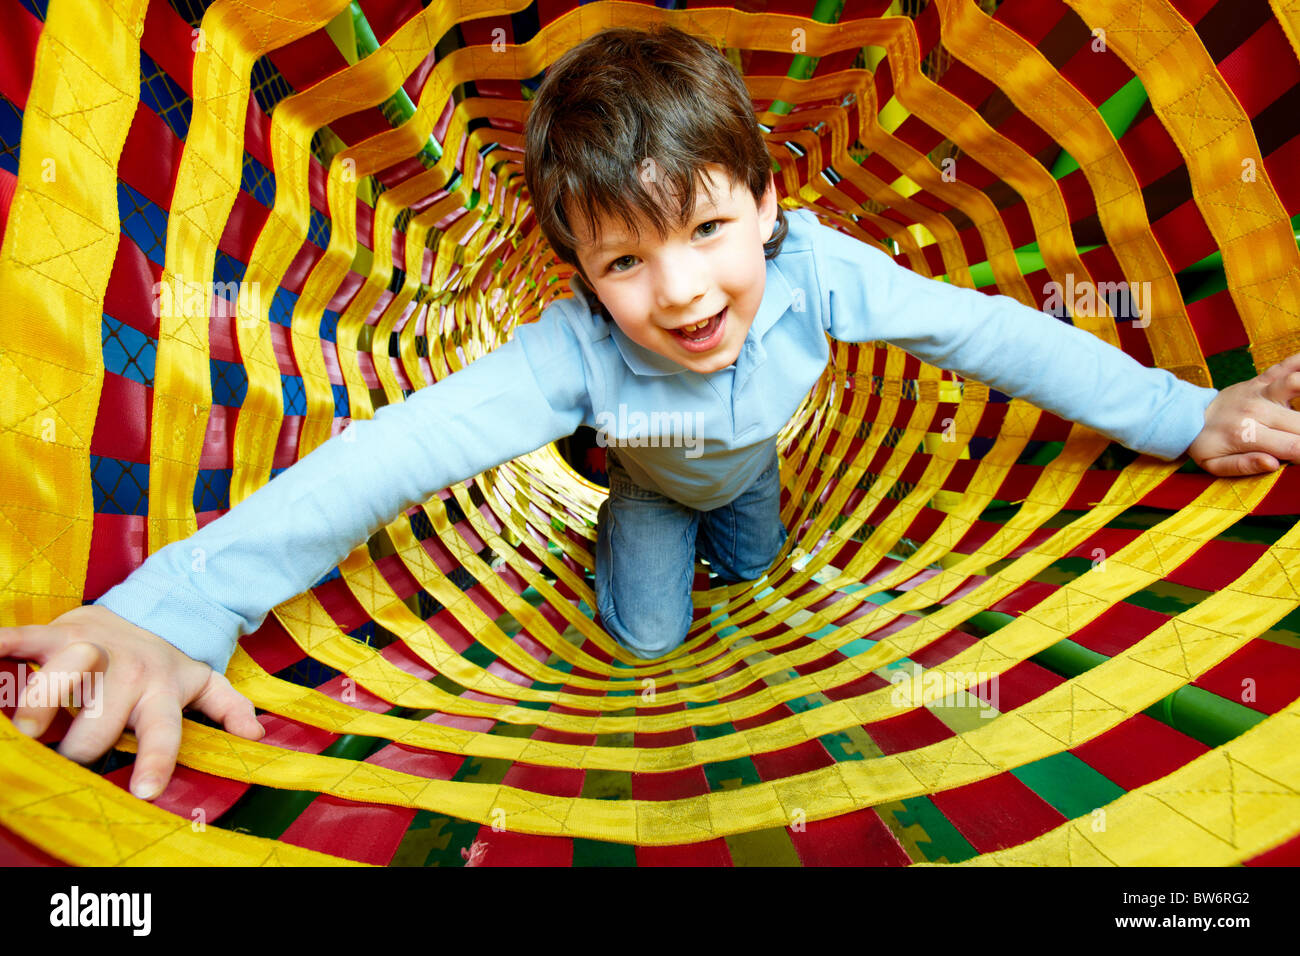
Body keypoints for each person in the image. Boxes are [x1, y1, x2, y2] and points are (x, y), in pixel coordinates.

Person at [3, 24, 1299, 805]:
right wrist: (168, 608)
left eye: (708, 229)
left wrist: (1187, 415)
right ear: (577, 269)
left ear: (768, 204)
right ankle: (629, 546)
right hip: (642, 483)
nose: (682, 290)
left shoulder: (823, 273)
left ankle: (734, 535)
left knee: (760, 556)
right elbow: (389, 455)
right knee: (646, 642)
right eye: (626, 260)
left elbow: (991, 333)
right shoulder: (566, 353)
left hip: (747, 473)